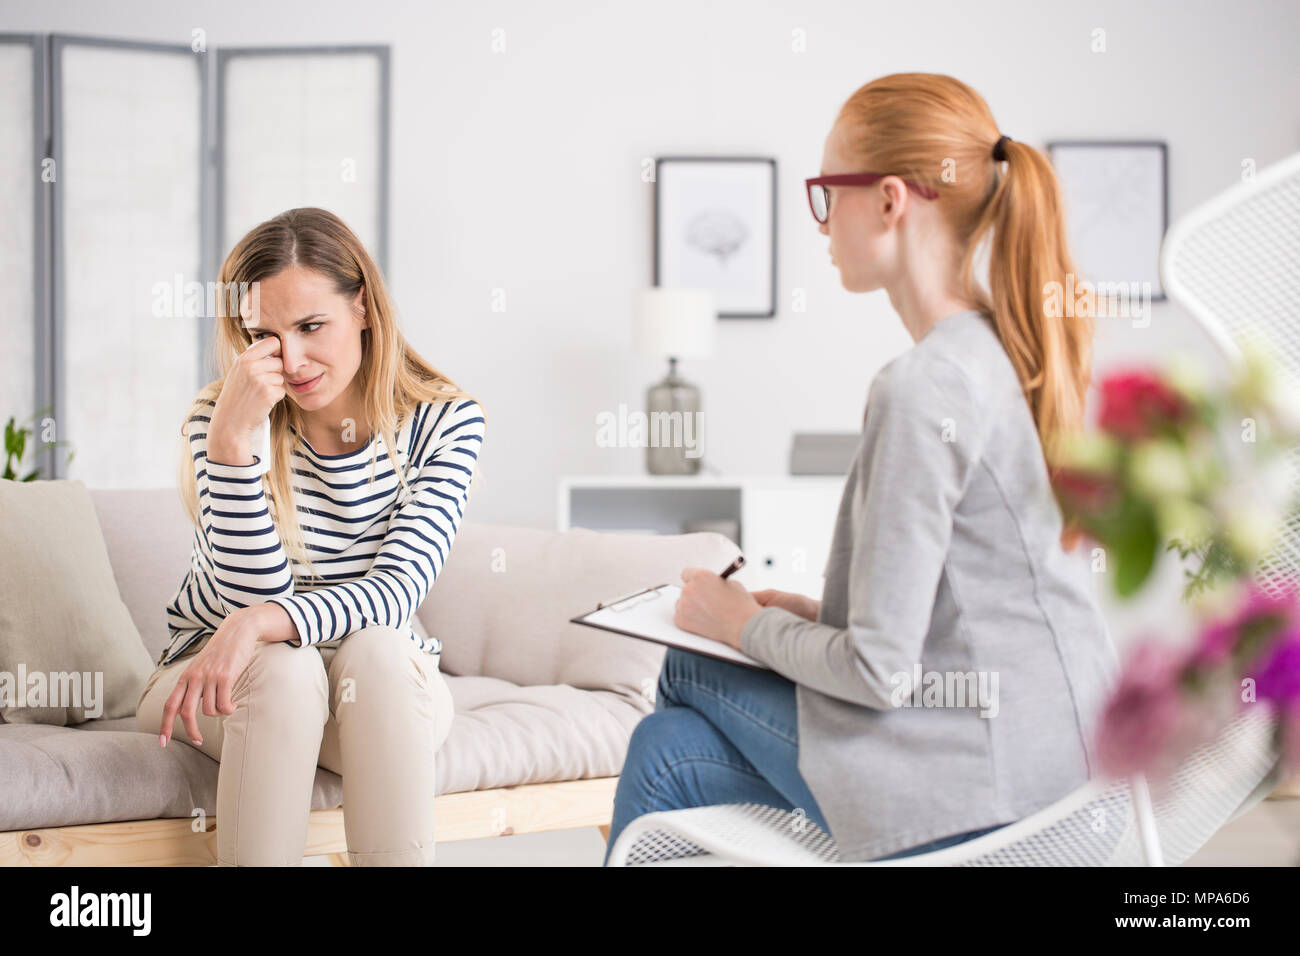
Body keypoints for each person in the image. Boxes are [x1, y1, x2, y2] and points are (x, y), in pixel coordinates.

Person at [605, 73, 1118, 865]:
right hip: (1065, 780)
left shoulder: (923, 387)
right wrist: (804, 614)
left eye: (825, 193)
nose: (820, 224)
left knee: (687, 668)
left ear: (887, 201)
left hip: (990, 808)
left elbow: (881, 672)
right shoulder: (1008, 354)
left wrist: (741, 625)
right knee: (667, 747)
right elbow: (955, 619)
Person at [136, 207, 486, 866]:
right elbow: (249, 602)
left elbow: (394, 593)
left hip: (373, 687)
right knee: (284, 667)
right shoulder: (225, 418)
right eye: (264, 337)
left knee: (381, 651)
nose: (291, 361)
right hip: (224, 679)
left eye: (310, 326)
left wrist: (264, 619)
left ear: (362, 308)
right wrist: (235, 447)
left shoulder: (445, 422)